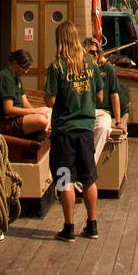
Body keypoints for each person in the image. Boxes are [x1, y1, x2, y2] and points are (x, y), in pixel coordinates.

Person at [44, 21, 103, 242]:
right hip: (86, 129)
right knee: (89, 178)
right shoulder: (90, 64)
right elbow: (99, 96)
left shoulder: (57, 67)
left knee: (64, 179)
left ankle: (68, 227)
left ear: (60, 40)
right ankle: (92, 224)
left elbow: (50, 99)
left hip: (64, 131)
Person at [0, 49, 52, 137]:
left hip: (17, 117)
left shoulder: (17, 78)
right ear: (15, 63)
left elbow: (25, 103)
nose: (26, 71)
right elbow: (8, 110)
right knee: (41, 120)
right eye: (24, 68)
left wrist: (37, 111)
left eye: (27, 68)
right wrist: (34, 112)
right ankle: (42, 131)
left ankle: (43, 131)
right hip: (6, 121)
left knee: (49, 110)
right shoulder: (5, 77)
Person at [85, 37, 129, 137]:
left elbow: (114, 95)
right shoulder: (80, 69)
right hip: (85, 111)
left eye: (97, 52)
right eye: (92, 52)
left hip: (103, 111)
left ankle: (92, 153)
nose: (96, 55)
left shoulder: (107, 68)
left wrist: (118, 122)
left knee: (103, 128)